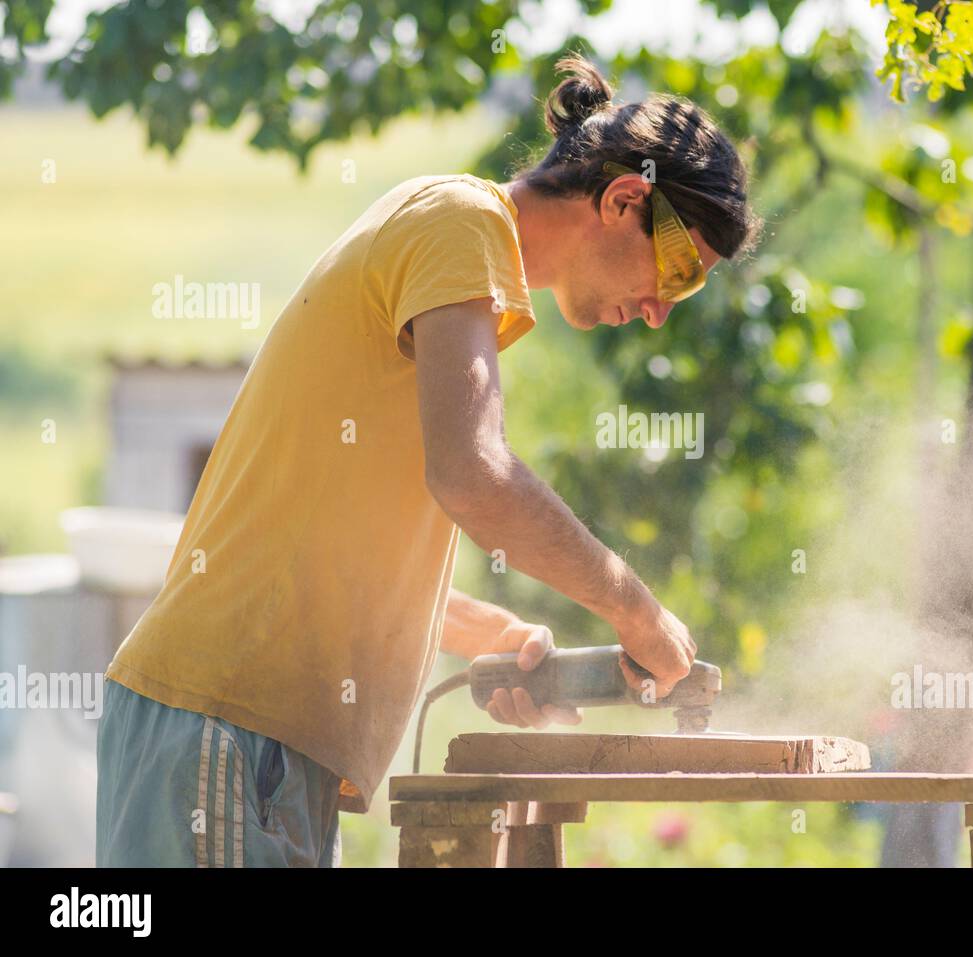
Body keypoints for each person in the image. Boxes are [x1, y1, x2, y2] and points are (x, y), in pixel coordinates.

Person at [96, 55, 760, 867]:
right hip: (228, 728)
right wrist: (637, 612)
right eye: (679, 270)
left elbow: (336, 546)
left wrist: (496, 634)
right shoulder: (460, 225)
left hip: (247, 742)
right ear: (624, 199)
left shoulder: (452, 247)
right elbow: (473, 476)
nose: (661, 310)